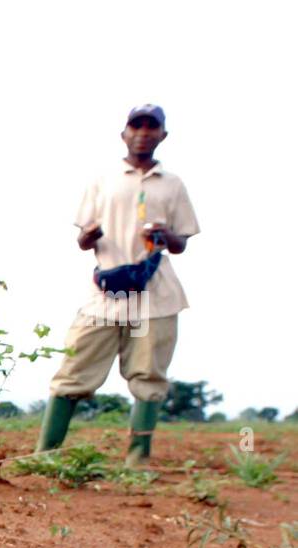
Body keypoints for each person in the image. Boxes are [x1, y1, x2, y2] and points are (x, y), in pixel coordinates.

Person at [37, 104, 200, 466]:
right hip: (107, 291)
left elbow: (181, 243)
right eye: (136, 126)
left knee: (149, 375)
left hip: (155, 293)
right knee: (73, 368)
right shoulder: (103, 181)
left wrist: (166, 234)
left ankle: (136, 461)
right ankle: (45, 455)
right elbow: (83, 240)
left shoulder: (172, 185)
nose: (143, 133)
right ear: (124, 133)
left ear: (162, 135)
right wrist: (88, 235)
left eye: (151, 127)